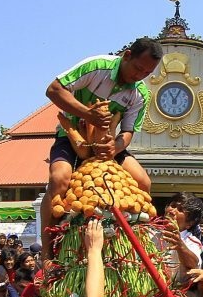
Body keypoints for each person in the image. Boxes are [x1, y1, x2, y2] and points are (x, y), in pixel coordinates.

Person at [40, 37, 163, 252]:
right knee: (59, 179)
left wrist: (114, 148)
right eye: (138, 68)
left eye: (147, 73)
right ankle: (48, 248)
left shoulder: (140, 94)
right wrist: (88, 114)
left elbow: (127, 131)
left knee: (143, 182)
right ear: (127, 55)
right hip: (72, 138)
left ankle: (132, 245)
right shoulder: (97, 67)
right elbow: (54, 89)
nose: (139, 76)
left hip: (108, 145)